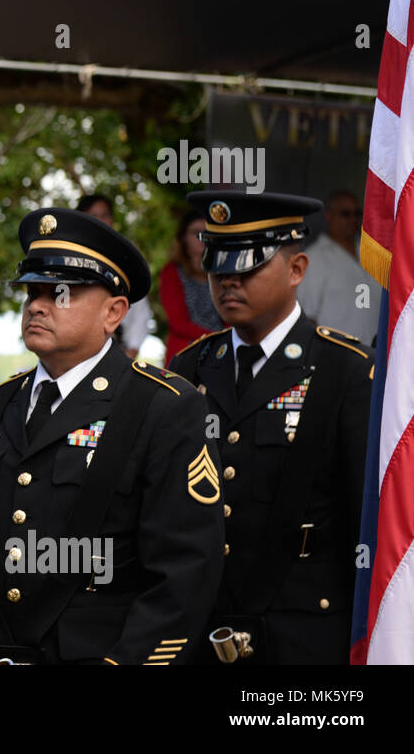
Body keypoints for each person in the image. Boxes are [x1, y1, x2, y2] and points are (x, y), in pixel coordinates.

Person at [0, 208, 225, 665]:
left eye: (60, 293)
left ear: (114, 312)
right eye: (32, 291)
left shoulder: (161, 404)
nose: (37, 305)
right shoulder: (3, 402)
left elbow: (184, 575)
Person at [168, 191, 372, 665]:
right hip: (206, 623)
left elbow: (361, 521)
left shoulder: (345, 369)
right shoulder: (191, 366)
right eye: (219, 269)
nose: (228, 283)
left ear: (297, 270)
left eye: (247, 269)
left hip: (303, 627)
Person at [297, 189, 381, 346]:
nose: (353, 219)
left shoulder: (375, 254)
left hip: (376, 356)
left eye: (357, 213)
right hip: (336, 357)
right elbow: (307, 317)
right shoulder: (314, 258)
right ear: (329, 215)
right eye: (345, 214)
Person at [76, 194, 153, 358]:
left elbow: (140, 310)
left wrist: (132, 349)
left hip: (118, 350)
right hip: (79, 350)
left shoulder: (126, 257)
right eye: (93, 216)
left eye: (105, 215)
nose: (100, 221)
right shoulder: (71, 258)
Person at [159, 209, 223, 363]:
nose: (202, 238)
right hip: (186, 351)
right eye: (196, 233)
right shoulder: (172, 272)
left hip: (221, 350)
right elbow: (178, 323)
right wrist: (216, 337)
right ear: (183, 238)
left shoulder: (220, 269)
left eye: (206, 232)